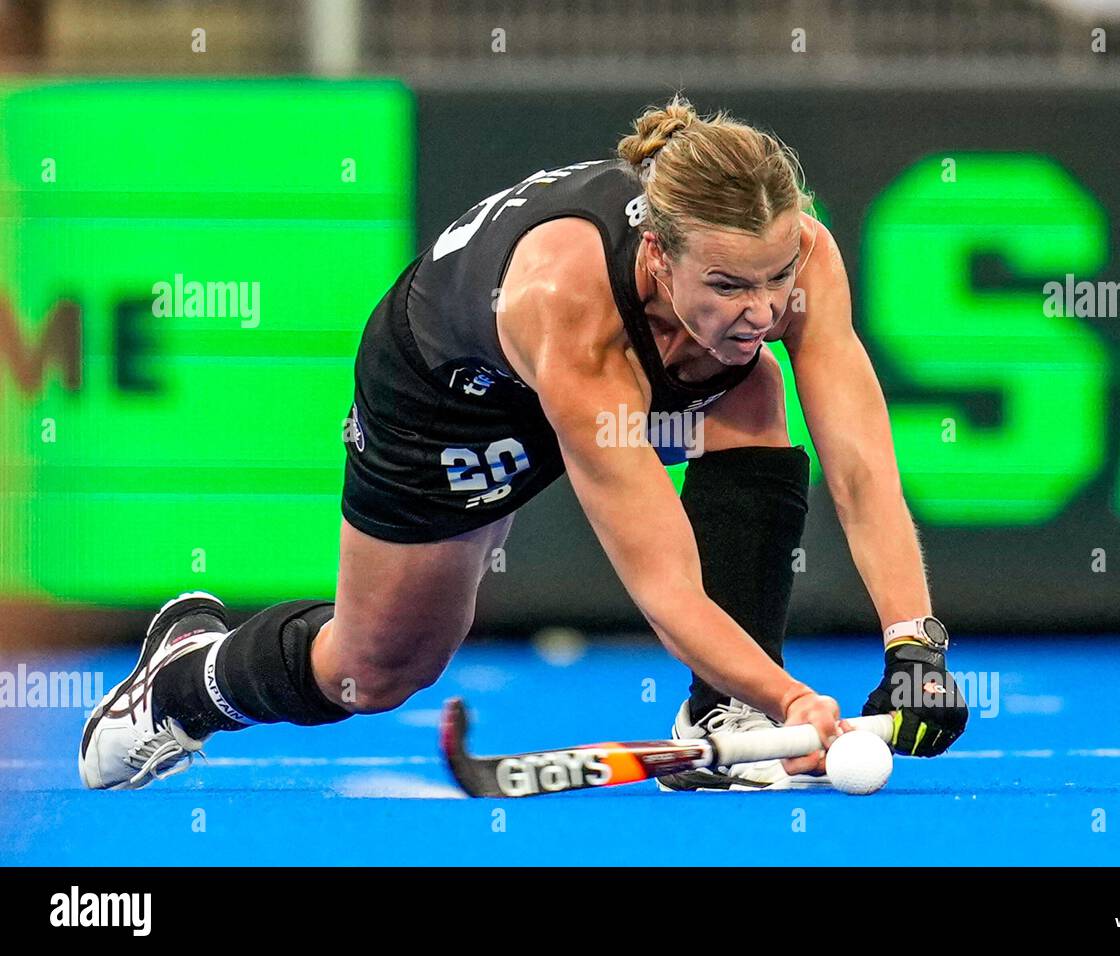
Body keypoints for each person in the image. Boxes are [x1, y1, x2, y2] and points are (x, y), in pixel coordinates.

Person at [79, 94, 967, 793]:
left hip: (634, 369)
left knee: (752, 388)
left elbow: (859, 465)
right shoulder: (565, 307)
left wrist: (913, 643)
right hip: (450, 395)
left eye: (776, 279)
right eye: (730, 284)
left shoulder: (799, 255)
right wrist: (799, 702)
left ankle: (718, 715)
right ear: (658, 254)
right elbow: (664, 584)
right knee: (378, 669)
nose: (765, 310)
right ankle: (187, 679)